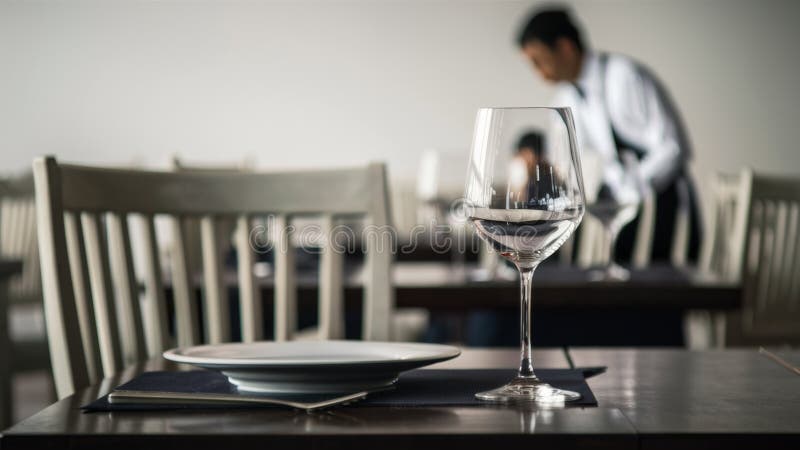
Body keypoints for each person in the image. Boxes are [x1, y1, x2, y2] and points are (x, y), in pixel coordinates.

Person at [517, 7, 701, 263]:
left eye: (538, 61)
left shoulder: (625, 77)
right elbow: (573, 168)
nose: (538, 72)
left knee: (657, 294)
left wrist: (628, 193)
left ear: (565, 47)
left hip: (663, 209)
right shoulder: (565, 100)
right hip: (618, 221)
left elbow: (673, 148)